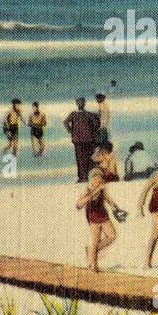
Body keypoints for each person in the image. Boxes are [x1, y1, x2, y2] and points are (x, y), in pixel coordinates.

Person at [77, 143, 124, 272]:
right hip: (93, 214)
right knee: (95, 240)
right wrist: (92, 192)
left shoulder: (102, 184)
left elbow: (108, 196)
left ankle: (91, 252)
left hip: (103, 213)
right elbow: (78, 204)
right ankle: (93, 265)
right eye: (95, 178)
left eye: (99, 178)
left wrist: (116, 207)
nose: (98, 180)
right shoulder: (91, 186)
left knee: (112, 235)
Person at [64, 97, 100, 183]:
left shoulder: (73, 114)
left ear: (77, 104)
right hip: (88, 139)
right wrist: (93, 131)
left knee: (80, 159)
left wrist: (71, 131)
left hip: (78, 140)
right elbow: (97, 123)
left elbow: (65, 123)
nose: (80, 104)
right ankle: (87, 176)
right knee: (88, 158)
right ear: (84, 104)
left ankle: (82, 177)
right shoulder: (89, 114)